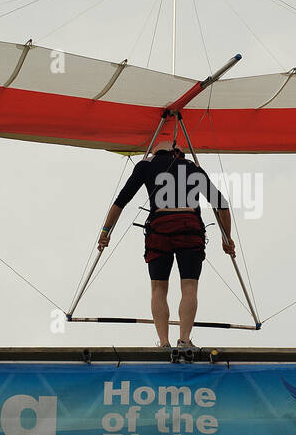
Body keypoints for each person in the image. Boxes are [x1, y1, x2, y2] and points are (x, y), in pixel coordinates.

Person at [97, 136, 235, 353]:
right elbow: (222, 206)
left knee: (159, 288)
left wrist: (106, 232)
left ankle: (163, 342)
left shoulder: (146, 166)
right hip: (189, 227)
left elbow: (120, 201)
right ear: (178, 153)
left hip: (160, 228)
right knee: (189, 286)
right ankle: (184, 339)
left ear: (155, 152)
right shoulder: (192, 168)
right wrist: (227, 238)